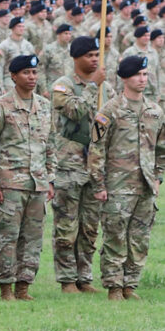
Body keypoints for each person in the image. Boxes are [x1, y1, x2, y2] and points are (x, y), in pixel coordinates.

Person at [89, 55, 165, 301]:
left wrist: (158, 178)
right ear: (124, 78)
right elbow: (97, 149)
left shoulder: (155, 111)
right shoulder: (110, 110)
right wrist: (99, 184)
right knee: (115, 237)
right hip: (117, 186)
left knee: (139, 238)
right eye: (137, 75)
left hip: (145, 185)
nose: (142, 79)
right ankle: (114, 287)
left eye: (144, 75)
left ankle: (130, 285)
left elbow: (161, 149)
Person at [0, 55, 55, 301]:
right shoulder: (1, 106)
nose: (31, 77)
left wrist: (50, 179)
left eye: (34, 72)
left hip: (37, 183)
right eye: (26, 73)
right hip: (9, 183)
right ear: (13, 76)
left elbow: (50, 145)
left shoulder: (44, 106)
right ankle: (5, 286)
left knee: (32, 239)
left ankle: (24, 286)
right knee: (6, 238)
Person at [51, 36, 114, 293]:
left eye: (96, 55)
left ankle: (84, 276)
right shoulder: (63, 86)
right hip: (70, 163)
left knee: (89, 225)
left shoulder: (104, 88)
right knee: (67, 225)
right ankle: (67, 280)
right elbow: (74, 112)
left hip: (95, 164)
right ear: (76, 58)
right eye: (89, 55)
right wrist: (92, 86)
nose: (94, 60)